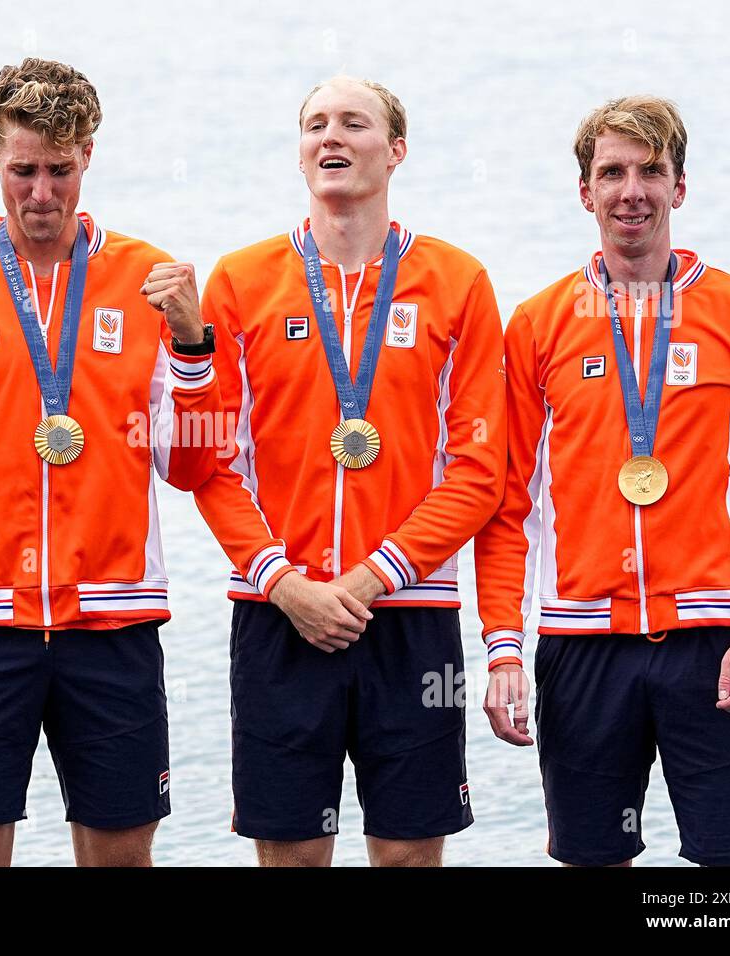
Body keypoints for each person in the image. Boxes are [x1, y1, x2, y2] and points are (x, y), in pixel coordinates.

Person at [0, 58, 220, 867]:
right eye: (23, 171)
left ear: (89, 154)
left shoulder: (150, 281)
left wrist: (194, 348)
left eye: (61, 170)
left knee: (120, 857)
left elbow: (191, 468)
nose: (43, 194)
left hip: (114, 616)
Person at [475, 95, 730, 867]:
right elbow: (505, 503)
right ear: (584, 191)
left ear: (679, 187)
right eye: (612, 173)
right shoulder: (538, 323)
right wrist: (502, 648)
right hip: (580, 640)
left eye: (651, 171)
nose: (632, 192)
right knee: (592, 860)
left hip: (713, 640)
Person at [192, 76, 506, 866]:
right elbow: (212, 462)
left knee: (406, 857)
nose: (330, 136)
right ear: (300, 155)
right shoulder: (239, 281)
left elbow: (479, 469)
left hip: (410, 612)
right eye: (315, 125)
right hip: (278, 611)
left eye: (353, 123)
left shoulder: (458, 281)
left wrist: (369, 579)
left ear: (396, 151)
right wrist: (283, 584)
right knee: (293, 857)